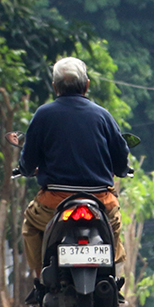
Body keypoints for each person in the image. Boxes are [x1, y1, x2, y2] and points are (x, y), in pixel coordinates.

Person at [19, 57, 132, 281]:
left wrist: (25, 169)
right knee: (114, 224)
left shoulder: (43, 115)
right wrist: (121, 169)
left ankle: (40, 278)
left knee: (30, 226)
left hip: (54, 203)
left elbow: (28, 161)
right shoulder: (103, 116)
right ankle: (110, 273)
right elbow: (121, 159)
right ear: (87, 85)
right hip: (100, 201)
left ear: (55, 87)